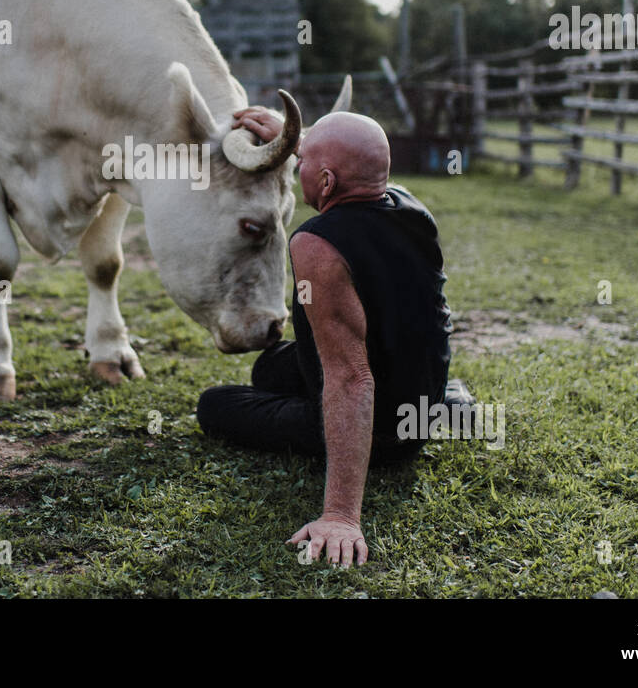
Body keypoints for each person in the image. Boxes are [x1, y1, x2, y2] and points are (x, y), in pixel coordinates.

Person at [197, 105, 472, 568]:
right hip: (418, 403)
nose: (296, 163)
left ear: (325, 183)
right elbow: (343, 167)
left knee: (216, 404)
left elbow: (350, 378)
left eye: (303, 163)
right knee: (269, 367)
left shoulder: (317, 244)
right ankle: (449, 404)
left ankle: (408, 431)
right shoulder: (411, 206)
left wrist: (341, 515)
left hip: (384, 432)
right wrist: (293, 138)